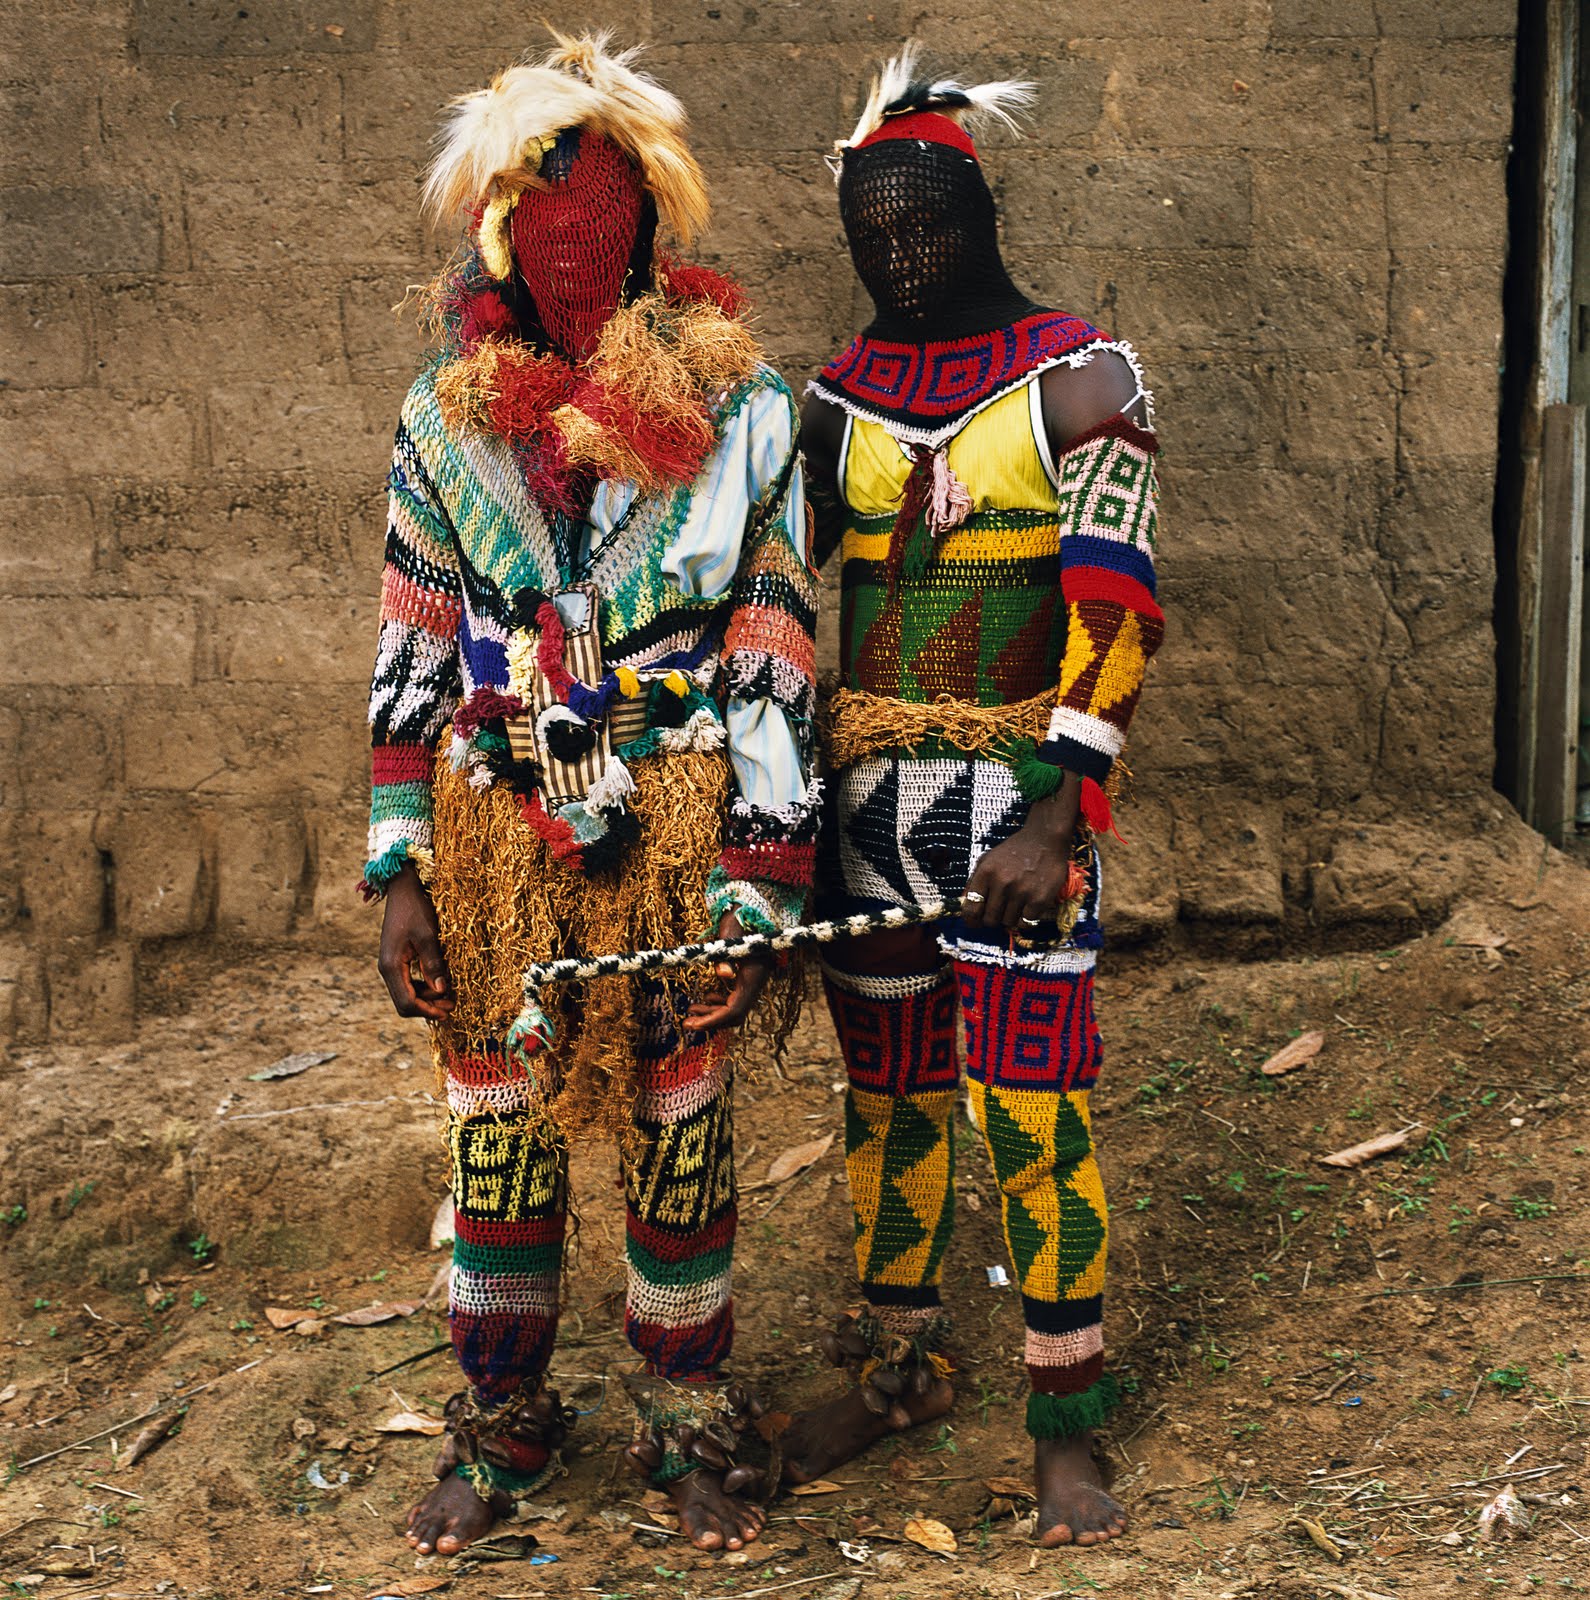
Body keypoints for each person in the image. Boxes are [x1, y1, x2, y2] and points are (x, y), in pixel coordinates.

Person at [364, 32, 819, 1557]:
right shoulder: (444, 420)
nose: (576, 236)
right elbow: (414, 633)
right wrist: (401, 866)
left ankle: (684, 1420)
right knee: (498, 1131)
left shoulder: (746, 416)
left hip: (678, 814)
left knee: (679, 1125)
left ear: (652, 233)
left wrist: (759, 872)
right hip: (498, 828)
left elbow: (769, 630)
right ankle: (501, 1426)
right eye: (545, 209)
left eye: (606, 214)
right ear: (499, 228)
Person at [783, 52, 1164, 1549]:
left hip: (1019, 807)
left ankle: (1064, 1424)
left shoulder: (1083, 376)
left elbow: (1118, 608)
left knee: (1031, 1108)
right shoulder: (827, 405)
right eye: (873, 234)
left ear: (979, 209)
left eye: (927, 223)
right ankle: (899, 1368)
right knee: (887, 1106)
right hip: (865, 810)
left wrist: (1061, 808)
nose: (904, 254)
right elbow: (775, 596)